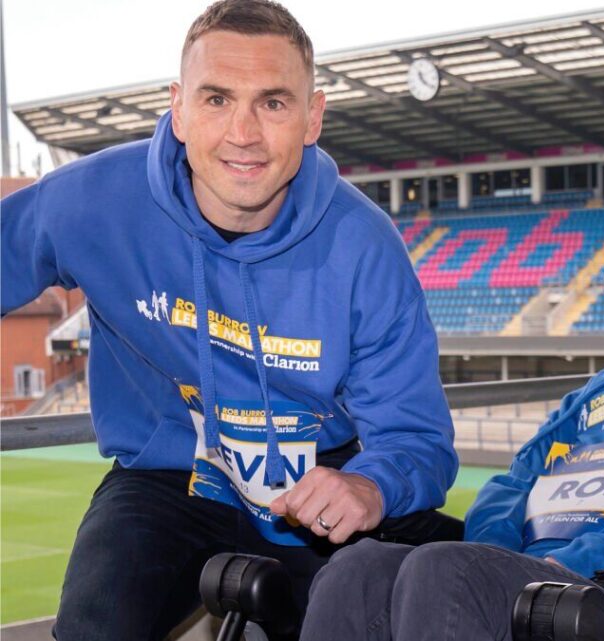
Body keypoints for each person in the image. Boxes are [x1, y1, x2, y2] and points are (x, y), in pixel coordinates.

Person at [0, 1, 459, 639]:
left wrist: (370, 487)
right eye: (217, 99)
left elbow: (419, 442)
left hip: (316, 485)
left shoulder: (365, 246)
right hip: (164, 480)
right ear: (178, 108)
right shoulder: (92, 199)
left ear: (312, 118)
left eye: (272, 103)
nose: (242, 133)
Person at [299, 200, 604, 641]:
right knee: (358, 567)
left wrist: (553, 565)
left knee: (448, 571)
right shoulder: (594, 394)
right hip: (530, 581)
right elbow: (509, 488)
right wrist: (498, 559)